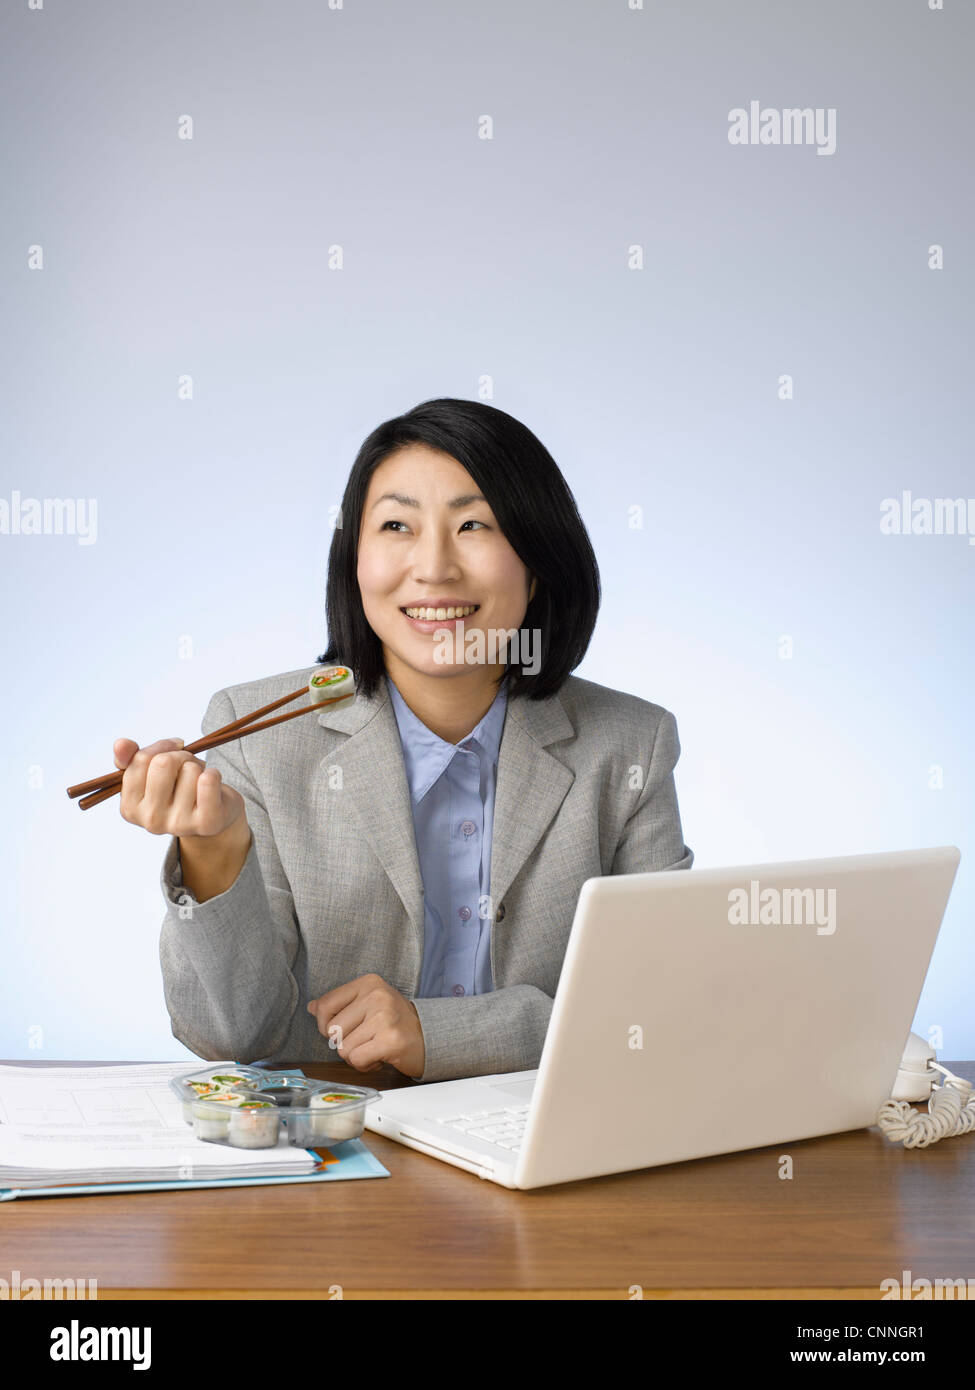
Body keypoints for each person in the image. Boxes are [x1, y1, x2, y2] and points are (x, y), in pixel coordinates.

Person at [114, 398, 693, 1083]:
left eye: (474, 524)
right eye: (396, 525)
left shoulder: (630, 742)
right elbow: (233, 1035)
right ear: (354, 561)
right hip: (340, 1152)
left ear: (537, 562)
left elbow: (657, 1013)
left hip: (545, 1146)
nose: (434, 568)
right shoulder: (258, 732)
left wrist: (441, 1035)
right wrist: (213, 852)